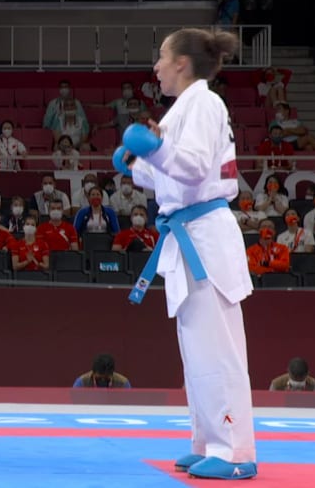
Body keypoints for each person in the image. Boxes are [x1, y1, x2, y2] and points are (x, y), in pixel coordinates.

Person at [116, 28, 257, 479]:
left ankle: (234, 451)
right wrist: (136, 164)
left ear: (182, 62)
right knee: (197, 351)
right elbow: (168, 176)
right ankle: (207, 441)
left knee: (216, 350)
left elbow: (194, 168)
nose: (156, 66)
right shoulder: (183, 109)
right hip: (186, 232)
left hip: (204, 233)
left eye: (161, 57)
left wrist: (156, 148)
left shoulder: (204, 103)